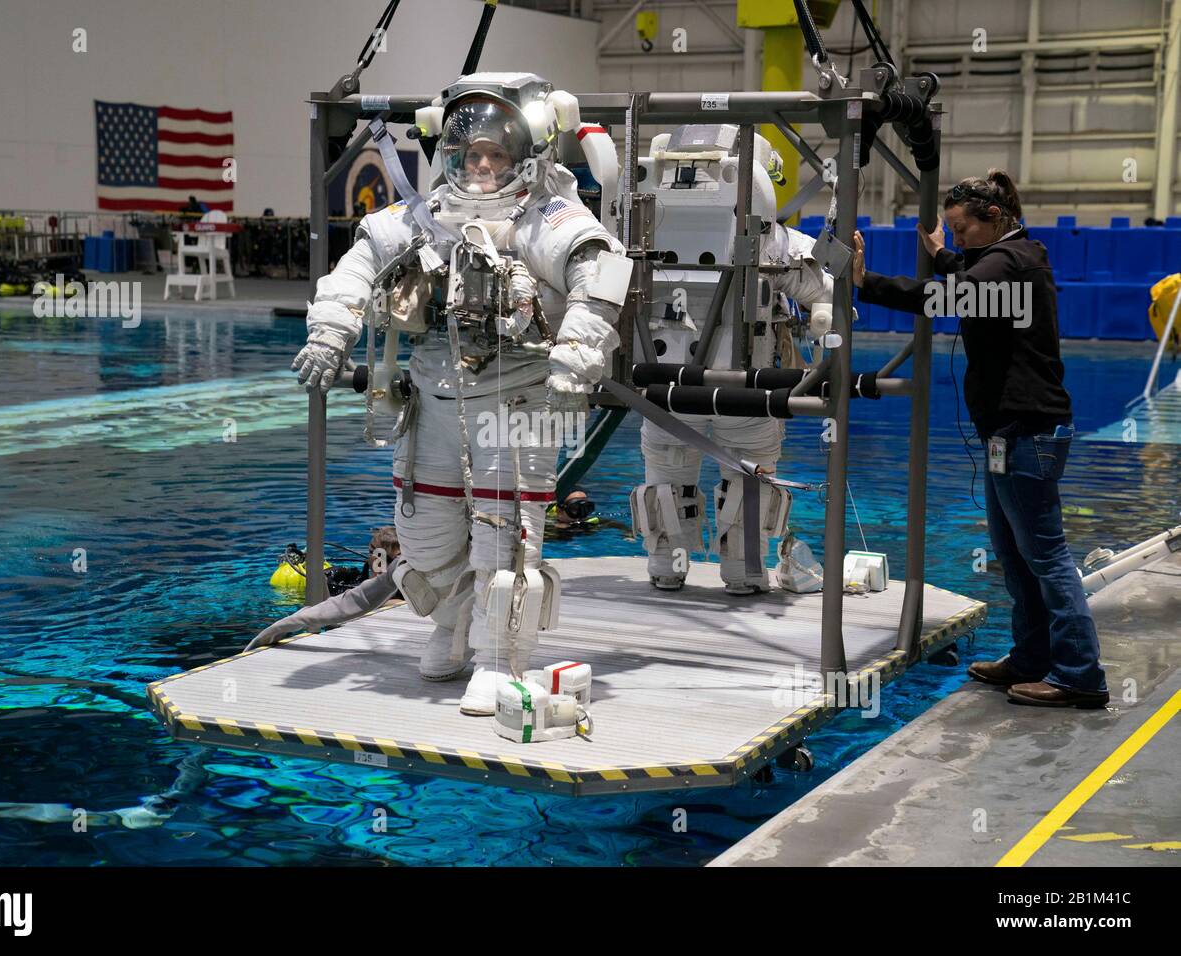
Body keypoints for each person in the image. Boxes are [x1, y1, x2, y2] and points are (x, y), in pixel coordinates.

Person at [292, 73, 631, 715]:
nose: (481, 166)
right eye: (471, 153)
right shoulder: (425, 215)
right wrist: (330, 331)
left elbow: (599, 270)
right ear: (450, 154)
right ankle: (450, 628)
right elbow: (357, 267)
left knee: (502, 538)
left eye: (495, 154)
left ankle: (499, 660)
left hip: (519, 399)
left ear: (524, 156)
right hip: (432, 400)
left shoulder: (546, 215)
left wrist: (576, 354)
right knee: (422, 539)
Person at [852, 168, 1108, 708]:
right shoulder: (1012, 257)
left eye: (961, 228)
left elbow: (949, 298)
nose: (958, 238)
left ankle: (1081, 675)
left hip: (1027, 433)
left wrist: (866, 282)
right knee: (1016, 559)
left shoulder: (1012, 263)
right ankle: (1032, 657)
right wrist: (944, 251)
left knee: (1048, 559)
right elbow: (970, 274)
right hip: (1007, 435)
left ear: (993, 219)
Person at [634, 128, 833, 595]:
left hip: (665, 384)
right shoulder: (774, 241)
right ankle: (742, 573)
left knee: (668, 473)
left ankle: (668, 566)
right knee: (749, 477)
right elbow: (823, 289)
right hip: (745, 388)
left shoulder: (636, 238)